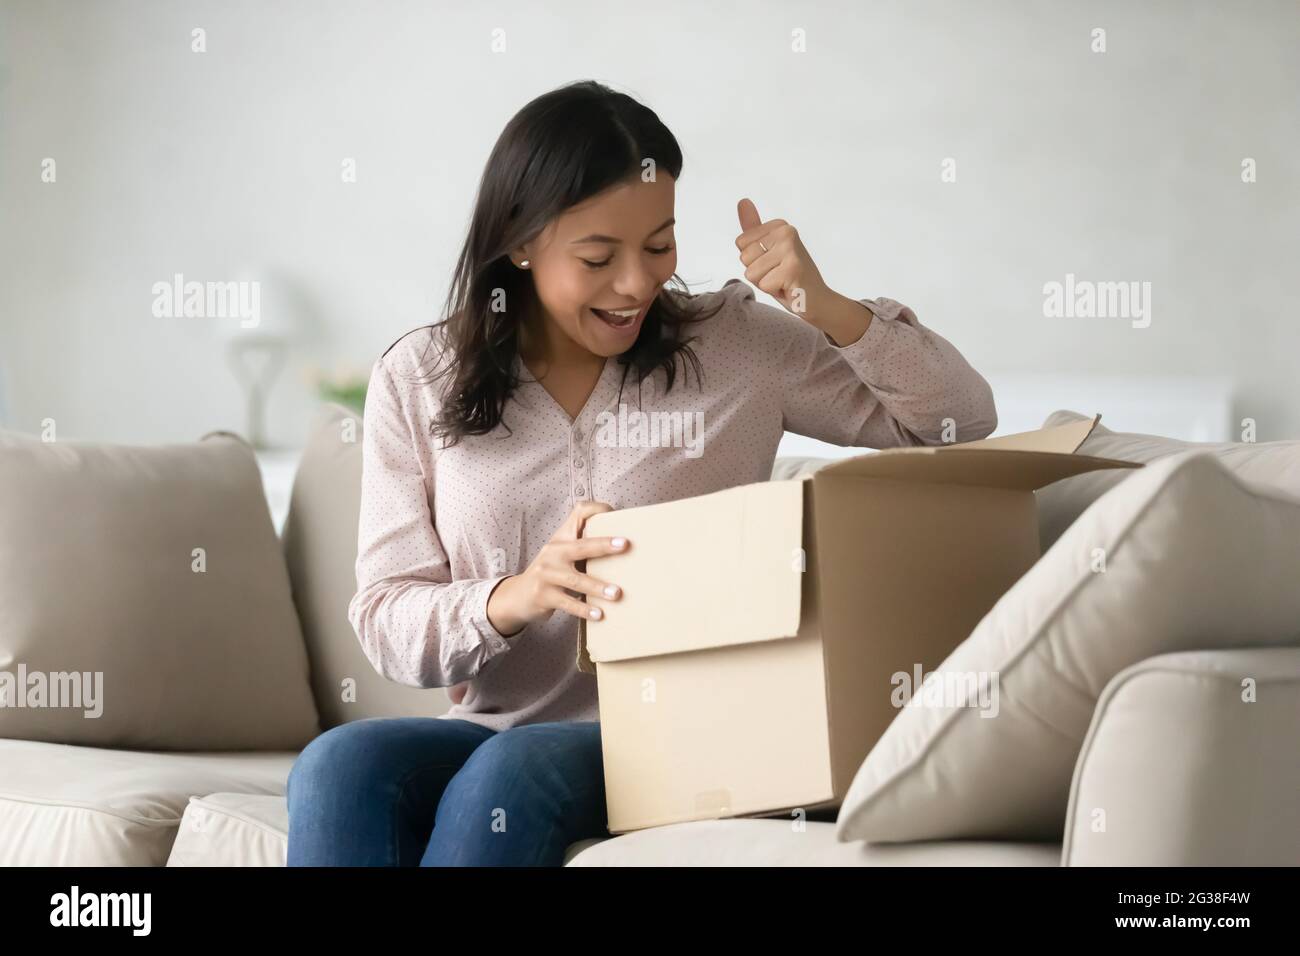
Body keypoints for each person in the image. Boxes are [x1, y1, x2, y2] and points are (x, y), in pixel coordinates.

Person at [286, 79, 998, 867]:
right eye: (599, 256)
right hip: (496, 725)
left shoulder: (734, 346)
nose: (637, 283)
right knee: (337, 765)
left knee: (510, 775)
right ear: (520, 244)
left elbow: (953, 419)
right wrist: (512, 597)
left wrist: (821, 301)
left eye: (659, 245)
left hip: (690, 732)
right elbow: (387, 618)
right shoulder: (421, 376)